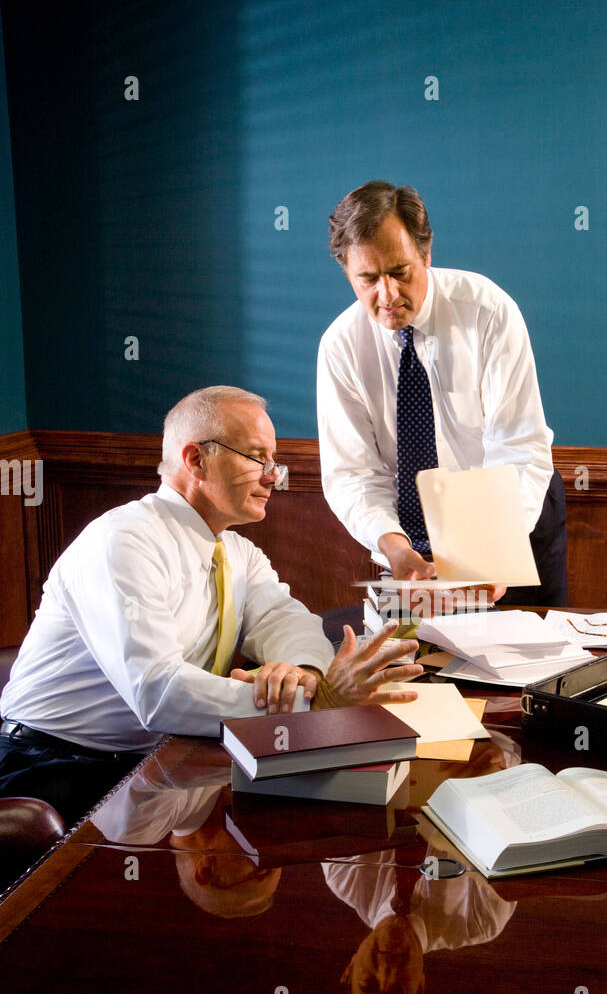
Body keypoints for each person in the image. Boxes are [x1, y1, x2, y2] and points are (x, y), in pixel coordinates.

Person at [0, 385, 421, 827]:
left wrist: (307, 673)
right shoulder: (123, 541)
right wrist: (314, 706)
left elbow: (287, 619)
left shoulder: (237, 551)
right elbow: (158, 692)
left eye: (273, 461)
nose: (273, 476)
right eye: (257, 458)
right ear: (196, 460)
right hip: (51, 769)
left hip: (154, 762)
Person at [317, 181, 567, 604]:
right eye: (368, 279)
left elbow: (518, 447)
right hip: (406, 541)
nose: (388, 294)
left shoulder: (487, 312)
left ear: (426, 254)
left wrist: (491, 553)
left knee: (526, 662)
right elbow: (353, 475)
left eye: (400, 272)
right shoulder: (340, 346)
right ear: (347, 272)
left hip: (510, 522)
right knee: (424, 666)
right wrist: (395, 547)